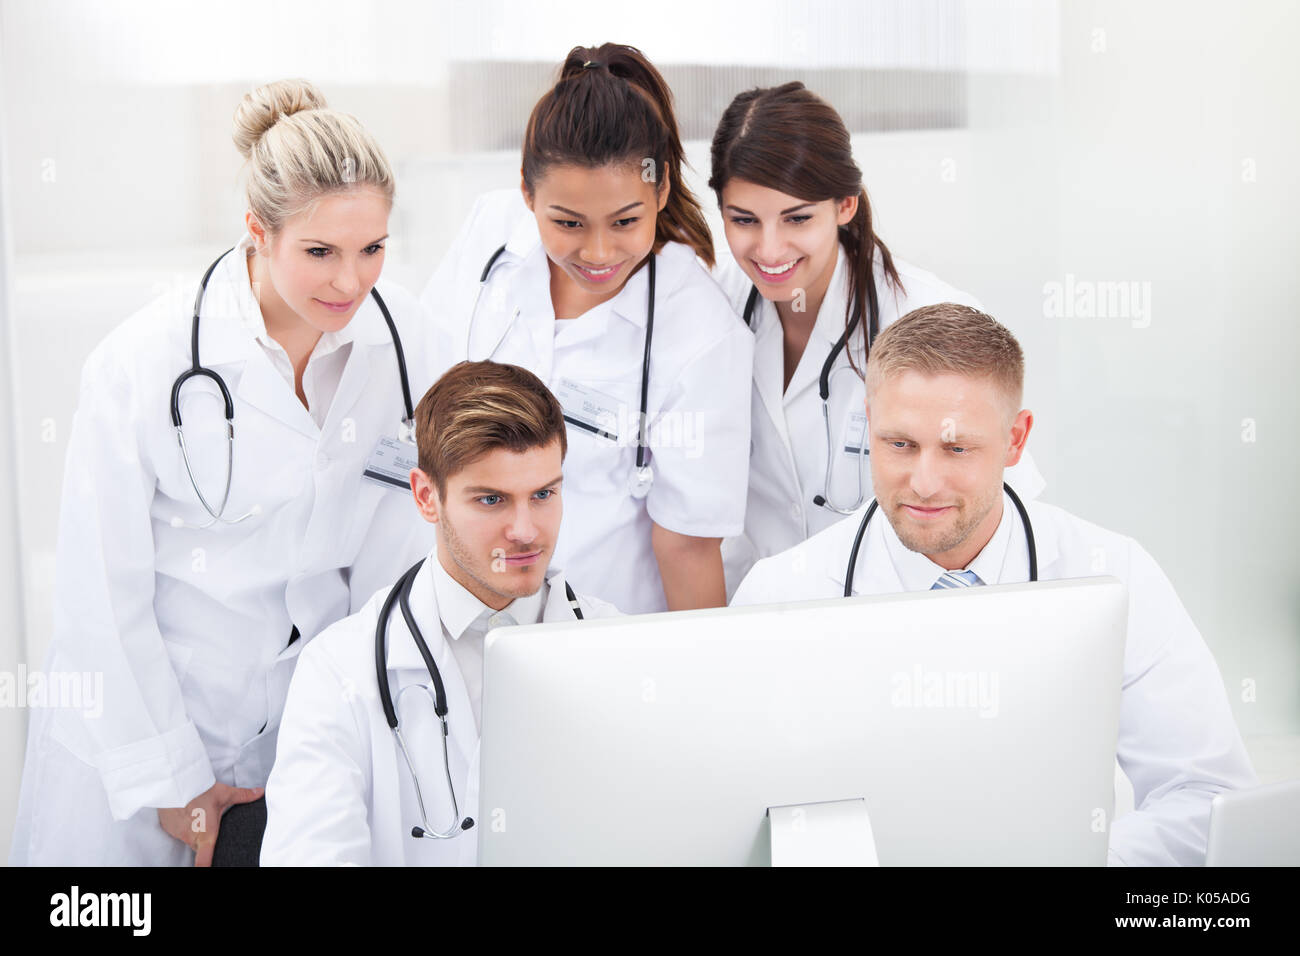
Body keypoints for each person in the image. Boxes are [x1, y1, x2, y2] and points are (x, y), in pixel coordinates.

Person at [9, 80, 435, 866]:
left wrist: (356, 732)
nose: (351, 282)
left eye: (372, 249)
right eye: (320, 252)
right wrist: (171, 780)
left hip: (308, 739)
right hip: (149, 737)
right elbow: (98, 594)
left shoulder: (405, 341)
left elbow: (398, 559)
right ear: (257, 232)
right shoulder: (146, 361)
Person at [731, 303, 1257, 866]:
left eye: (957, 448)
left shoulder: (1114, 575)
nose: (924, 483)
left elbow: (1203, 797)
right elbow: (732, 819)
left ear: (1015, 439)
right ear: (868, 421)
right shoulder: (780, 595)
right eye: (900, 444)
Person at [421, 43, 753, 615]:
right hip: (456, 614)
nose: (599, 252)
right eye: (568, 223)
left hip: (598, 638)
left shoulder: (701, 334)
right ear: (527, 192)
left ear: (661, 190)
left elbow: (688, 548)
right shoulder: (489, 233)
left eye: (625, 221)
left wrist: (701, 672)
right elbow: (425, 385)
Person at [261, 361, 620, 866]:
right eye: (492, 500)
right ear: (427, 497)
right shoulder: (337, 673)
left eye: (543, 494)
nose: (525, 531)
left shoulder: (620, 647)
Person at [708, 82, 1044, 596]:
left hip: (889, 613)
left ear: (845, 204)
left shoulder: (928, 317)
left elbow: (1005, 504)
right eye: (744, 220)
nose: (769, 249)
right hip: (756, 608)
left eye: (798, 218)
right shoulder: (713, 306)